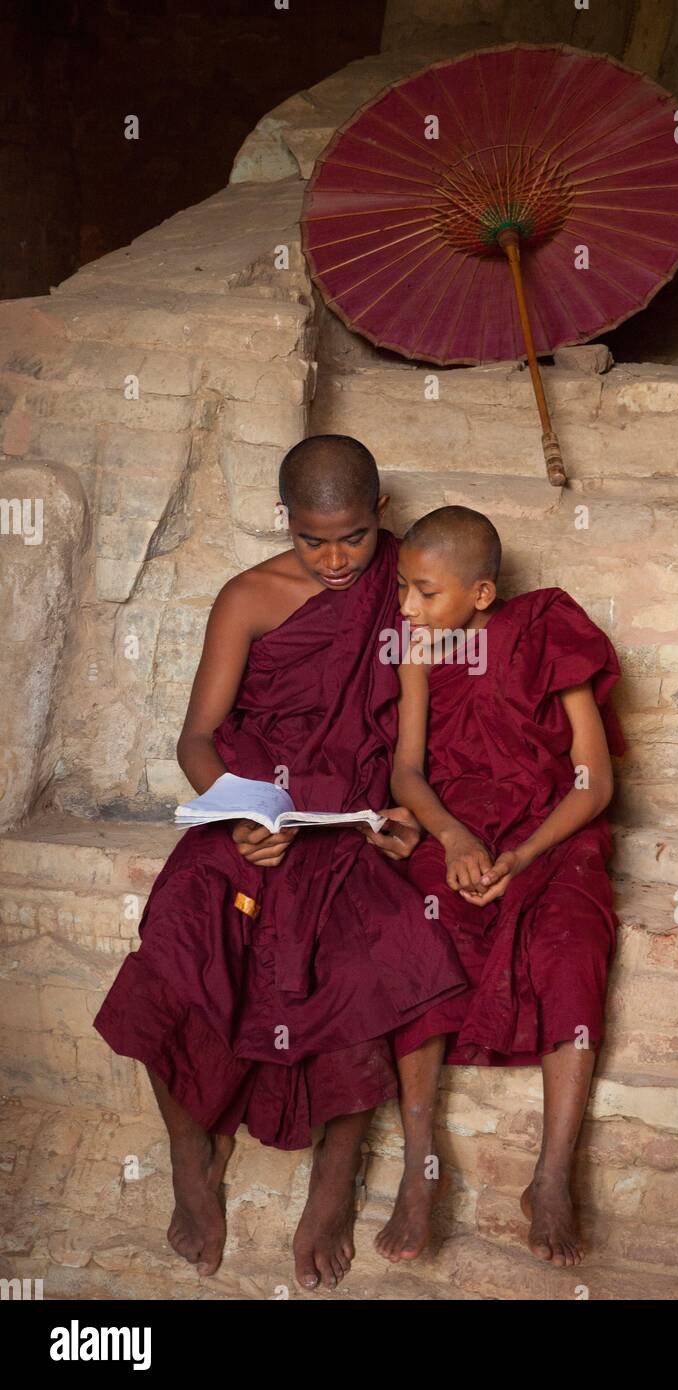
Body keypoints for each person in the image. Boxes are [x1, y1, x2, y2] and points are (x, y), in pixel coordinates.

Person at [94, 437, 465, 1291]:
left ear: (381, 518)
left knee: (372, 949)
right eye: (312, 540)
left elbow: (405, 757)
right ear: (285, 522)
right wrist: (235, 817)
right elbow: (196, 738)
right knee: (183, 936)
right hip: (252, 814)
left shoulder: (397, 598)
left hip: (346, 827)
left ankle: (333, 1181)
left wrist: (402, 823)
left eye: (355, 540)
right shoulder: (250, 598)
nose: (336, 562)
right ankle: (192, 1150)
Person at [374, 506, 626, 1269]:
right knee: (412, 934)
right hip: (459, 826)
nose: (406, 610)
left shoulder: (546, 627)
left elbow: (594, 781)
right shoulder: (417, 648)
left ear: (482, 593)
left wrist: (521, 854)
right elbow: (406, 771)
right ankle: (421, 1163)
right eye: (402, 590)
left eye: (424, 592)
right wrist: (453, 837)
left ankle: (552, 1172)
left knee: (570, 945)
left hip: (553, 829)